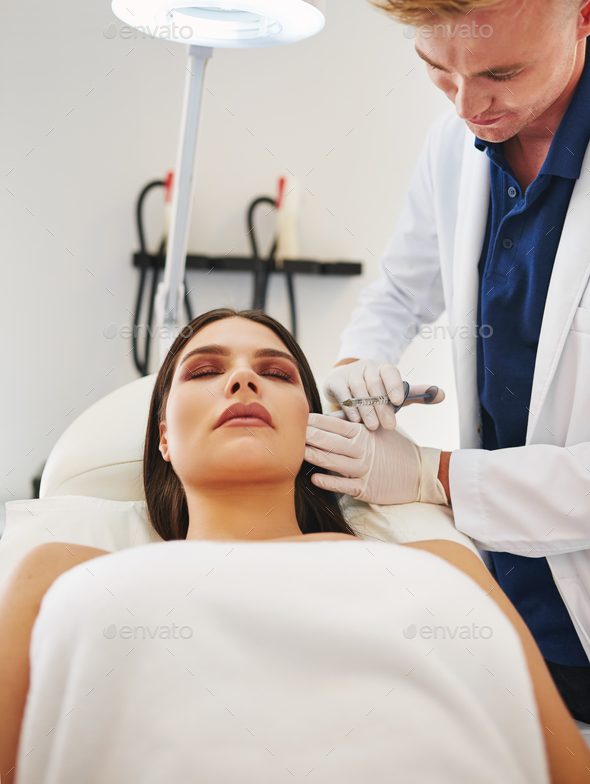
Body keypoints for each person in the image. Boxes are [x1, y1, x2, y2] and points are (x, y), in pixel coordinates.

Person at [0, 309, 588, 783]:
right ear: (162, 438)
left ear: (311, 424)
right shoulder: (54, 570)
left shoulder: (438, 563)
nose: (242, 380)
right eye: (204, 370)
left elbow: (564, 767)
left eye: (277, 374)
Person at [306, 0, 590, 729]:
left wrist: (432, 476)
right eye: (438, 71)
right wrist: (362, 365)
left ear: (584, 14)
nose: (469, 107)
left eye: (502, 71)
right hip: (507, 606)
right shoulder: (458, 143)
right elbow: (398, 288)